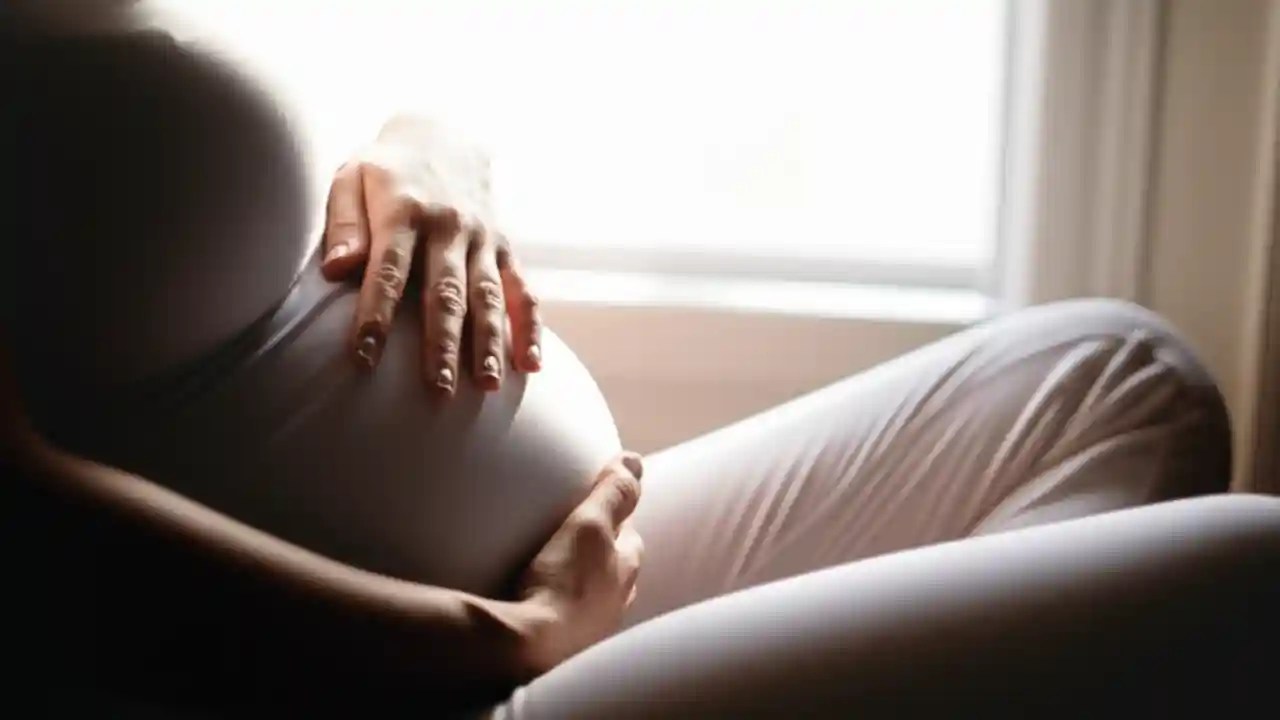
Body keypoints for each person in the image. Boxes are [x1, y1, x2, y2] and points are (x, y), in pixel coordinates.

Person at [3, 4, 1278, 718]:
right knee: (1246, 578)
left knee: (1117, 381)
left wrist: (419, 146)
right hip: (420, 678)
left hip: (534, 593)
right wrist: (499, 636)